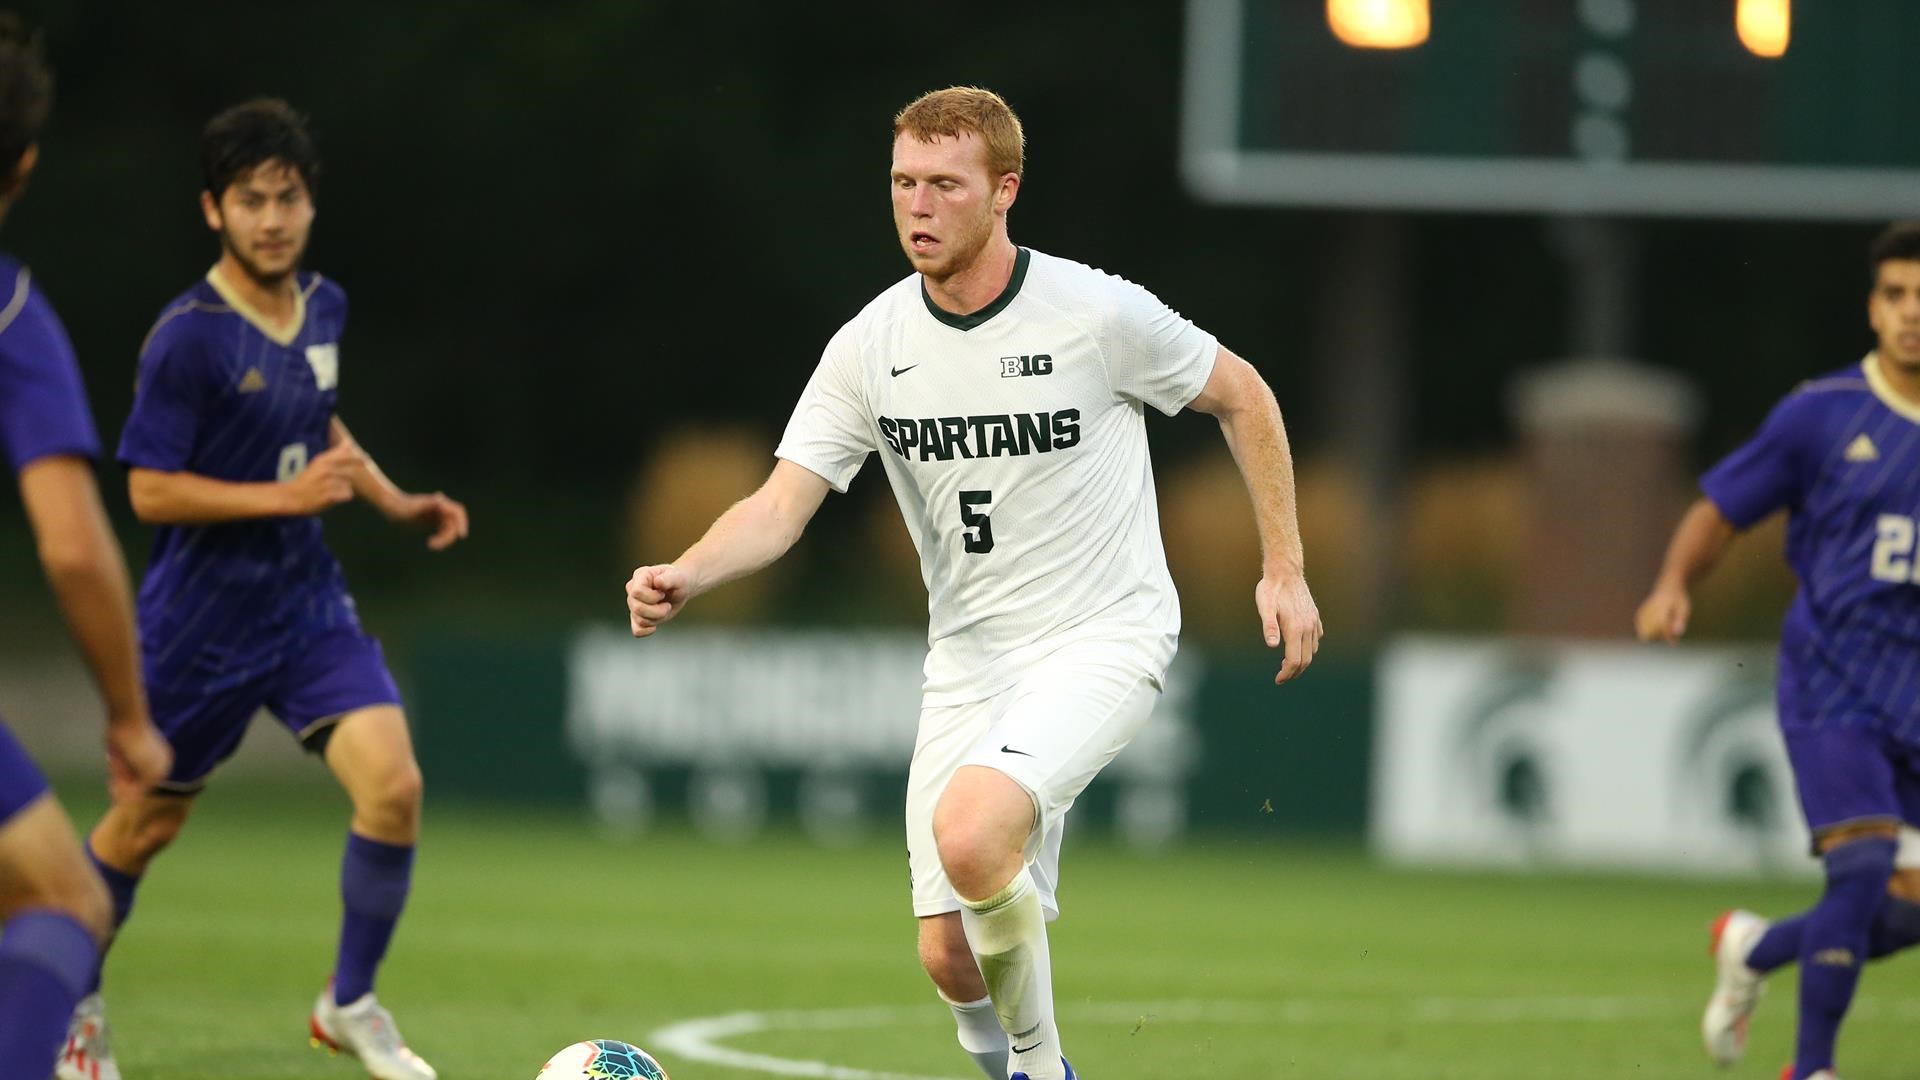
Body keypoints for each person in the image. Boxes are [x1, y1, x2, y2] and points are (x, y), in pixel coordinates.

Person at [625, 86, 1321, 1080]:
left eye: (945, 185)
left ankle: (1047, 1073)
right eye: (904, 183)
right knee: (950, 952)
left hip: (1103, 636)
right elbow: (781, 505)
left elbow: (1242, 394)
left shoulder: (1095, 311)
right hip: (970, 661)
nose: (919, 205)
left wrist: (1284, 566)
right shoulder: (871, 346)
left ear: (1005, 191)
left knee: (973, 826)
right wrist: (688, 572)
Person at [58, 98, 467, 1080]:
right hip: (200, 623)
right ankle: (68, 1004)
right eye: (251, 201)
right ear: (215, 211)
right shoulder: (187, 339)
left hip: (305, 604)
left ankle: (349, 1000)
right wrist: (279, 495)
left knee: (395, 787)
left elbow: (322, 424)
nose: (273, 218)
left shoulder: (323, 305)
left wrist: (394, 500)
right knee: (147, 824)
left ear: (309, 206)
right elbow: (150, 490)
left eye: (287, 198)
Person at [1636, 221, 1920, 1080]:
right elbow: (1719, 510)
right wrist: (1673, 584)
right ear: (1873, 309)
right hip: (1834, 679)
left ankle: (1756, 951)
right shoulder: (1822, 414)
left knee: (1903, 915)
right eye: (1898, 296)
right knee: (1864, 865)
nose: (1913, 314)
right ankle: (1813, 1068)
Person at [0, 14, 172, 1080]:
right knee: (67, 899)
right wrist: (128, 716)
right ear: (21, 166)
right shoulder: (12, 312)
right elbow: (72, 547)